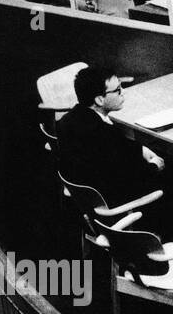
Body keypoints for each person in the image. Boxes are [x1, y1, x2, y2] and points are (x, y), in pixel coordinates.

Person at [57, 66, 165, 208]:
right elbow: (127, 179)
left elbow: (116, 148)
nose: (123, 92)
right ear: (100, 100)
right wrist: (154, 166)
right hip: (116, 200)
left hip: (89, 196)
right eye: (118, 90)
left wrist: (140, 149)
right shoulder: (102, 133)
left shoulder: (68, 120)